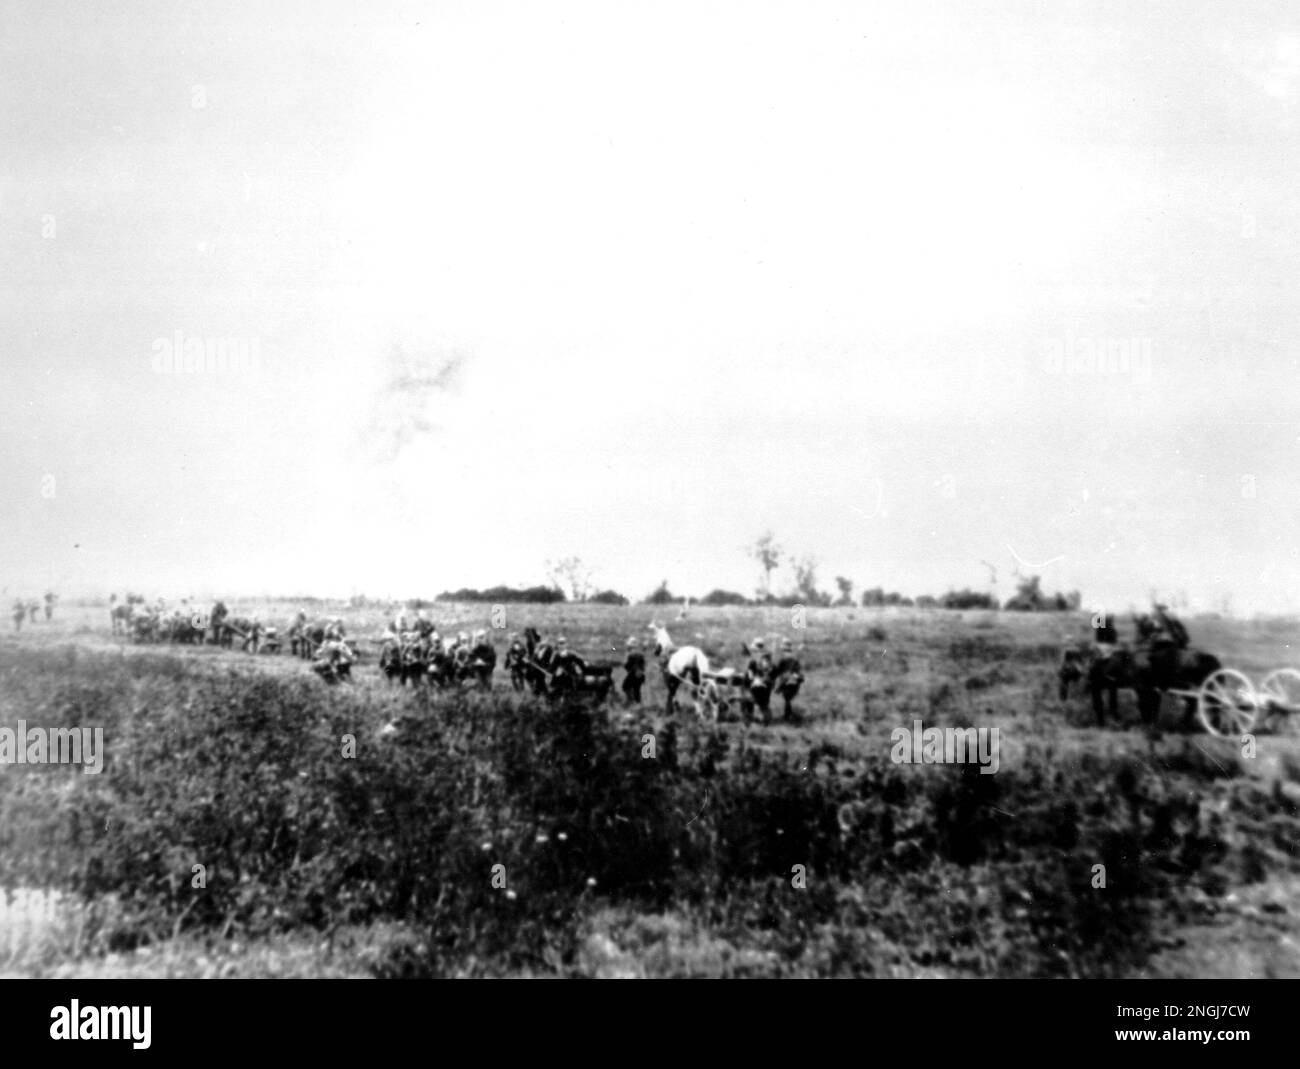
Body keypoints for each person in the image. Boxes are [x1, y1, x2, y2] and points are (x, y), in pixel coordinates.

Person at [772, 638, 805, 722]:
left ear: (783, 647)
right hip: (794, 680)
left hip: (785, 681)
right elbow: (798, 670)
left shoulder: (781, 658)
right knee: (788, 699)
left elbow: (776, 670)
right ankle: (790, 715)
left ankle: (788, 716)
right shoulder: (795, 657)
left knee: (787, 699)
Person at [745, 638, 774, 723]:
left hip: (758, 684)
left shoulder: (755, 660)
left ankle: (750, 717)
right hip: (767, 684)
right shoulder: (768, 658)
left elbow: (750, 674)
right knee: (764, 703)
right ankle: (766, 720)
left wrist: (752, 679)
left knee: (749, 699)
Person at [622, 636, 646, 704]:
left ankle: (631, 701)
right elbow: (643, 665)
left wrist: (624, 665)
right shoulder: (639, 653)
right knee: (636, 690)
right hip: (640, 674)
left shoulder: (631, 654)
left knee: (625, 687)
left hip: (633, 673)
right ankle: (637, 703)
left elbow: (627, 666)